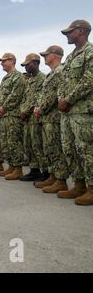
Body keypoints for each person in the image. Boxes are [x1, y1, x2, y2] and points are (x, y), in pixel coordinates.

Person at [57, 20, 93, 205]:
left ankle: (91, 188)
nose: (67, 35)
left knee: (86, 149)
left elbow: (89, 80)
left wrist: (68, 99)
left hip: (83, 112)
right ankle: (79, 185)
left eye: (70, 32)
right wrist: (61, 100)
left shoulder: (90, 52)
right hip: (68, 112)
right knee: (69, 149)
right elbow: (63, 82)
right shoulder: (71, 57)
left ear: (81, 31)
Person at [34, 45, 69, 193]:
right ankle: (54, 176)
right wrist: (39, 107)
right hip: (47, 117)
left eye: (46, 55)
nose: (44, 57)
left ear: (55, 55)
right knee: (49, 148)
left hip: (53, 117)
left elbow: (54, 96)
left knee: (55, 149)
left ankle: (61, 180)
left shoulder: (59, 71)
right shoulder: (51, 73)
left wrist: (41, 108)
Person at [0, 53, 26, 180]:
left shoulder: (17, 76)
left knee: (14, 142)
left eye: (4, 61)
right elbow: (1, 96)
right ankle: (11, 166)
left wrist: (4, 107)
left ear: (12, 61)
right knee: (6, 142)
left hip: (13, 115)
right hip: (4, 115)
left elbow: (15, 95)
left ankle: (18, 169)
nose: (1, 63)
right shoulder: (5, 78)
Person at [19, 54, 48, 182]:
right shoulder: (30, 80)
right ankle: (34, 170)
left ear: (36, 63)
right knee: (28, 144)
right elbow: (25, 98)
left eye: (28, 64)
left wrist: (26, 111)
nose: (25, 67)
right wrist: (22, 112)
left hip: (36, 118)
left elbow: (38, 99)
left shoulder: (43, 78)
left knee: (38, 145)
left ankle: (46, 172)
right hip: (27, 119)